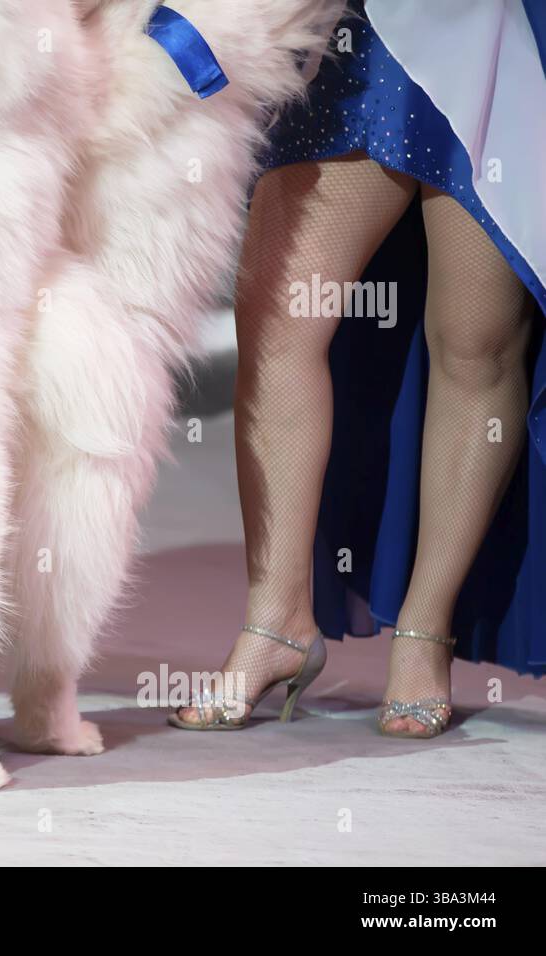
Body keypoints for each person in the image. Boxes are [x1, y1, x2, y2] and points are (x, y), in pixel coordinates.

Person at [171, 0, 546, 737]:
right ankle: (277, 622)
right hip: (356, 29)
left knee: (477, 340)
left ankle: (424, 629)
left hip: (502, 30)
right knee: (279, 313)